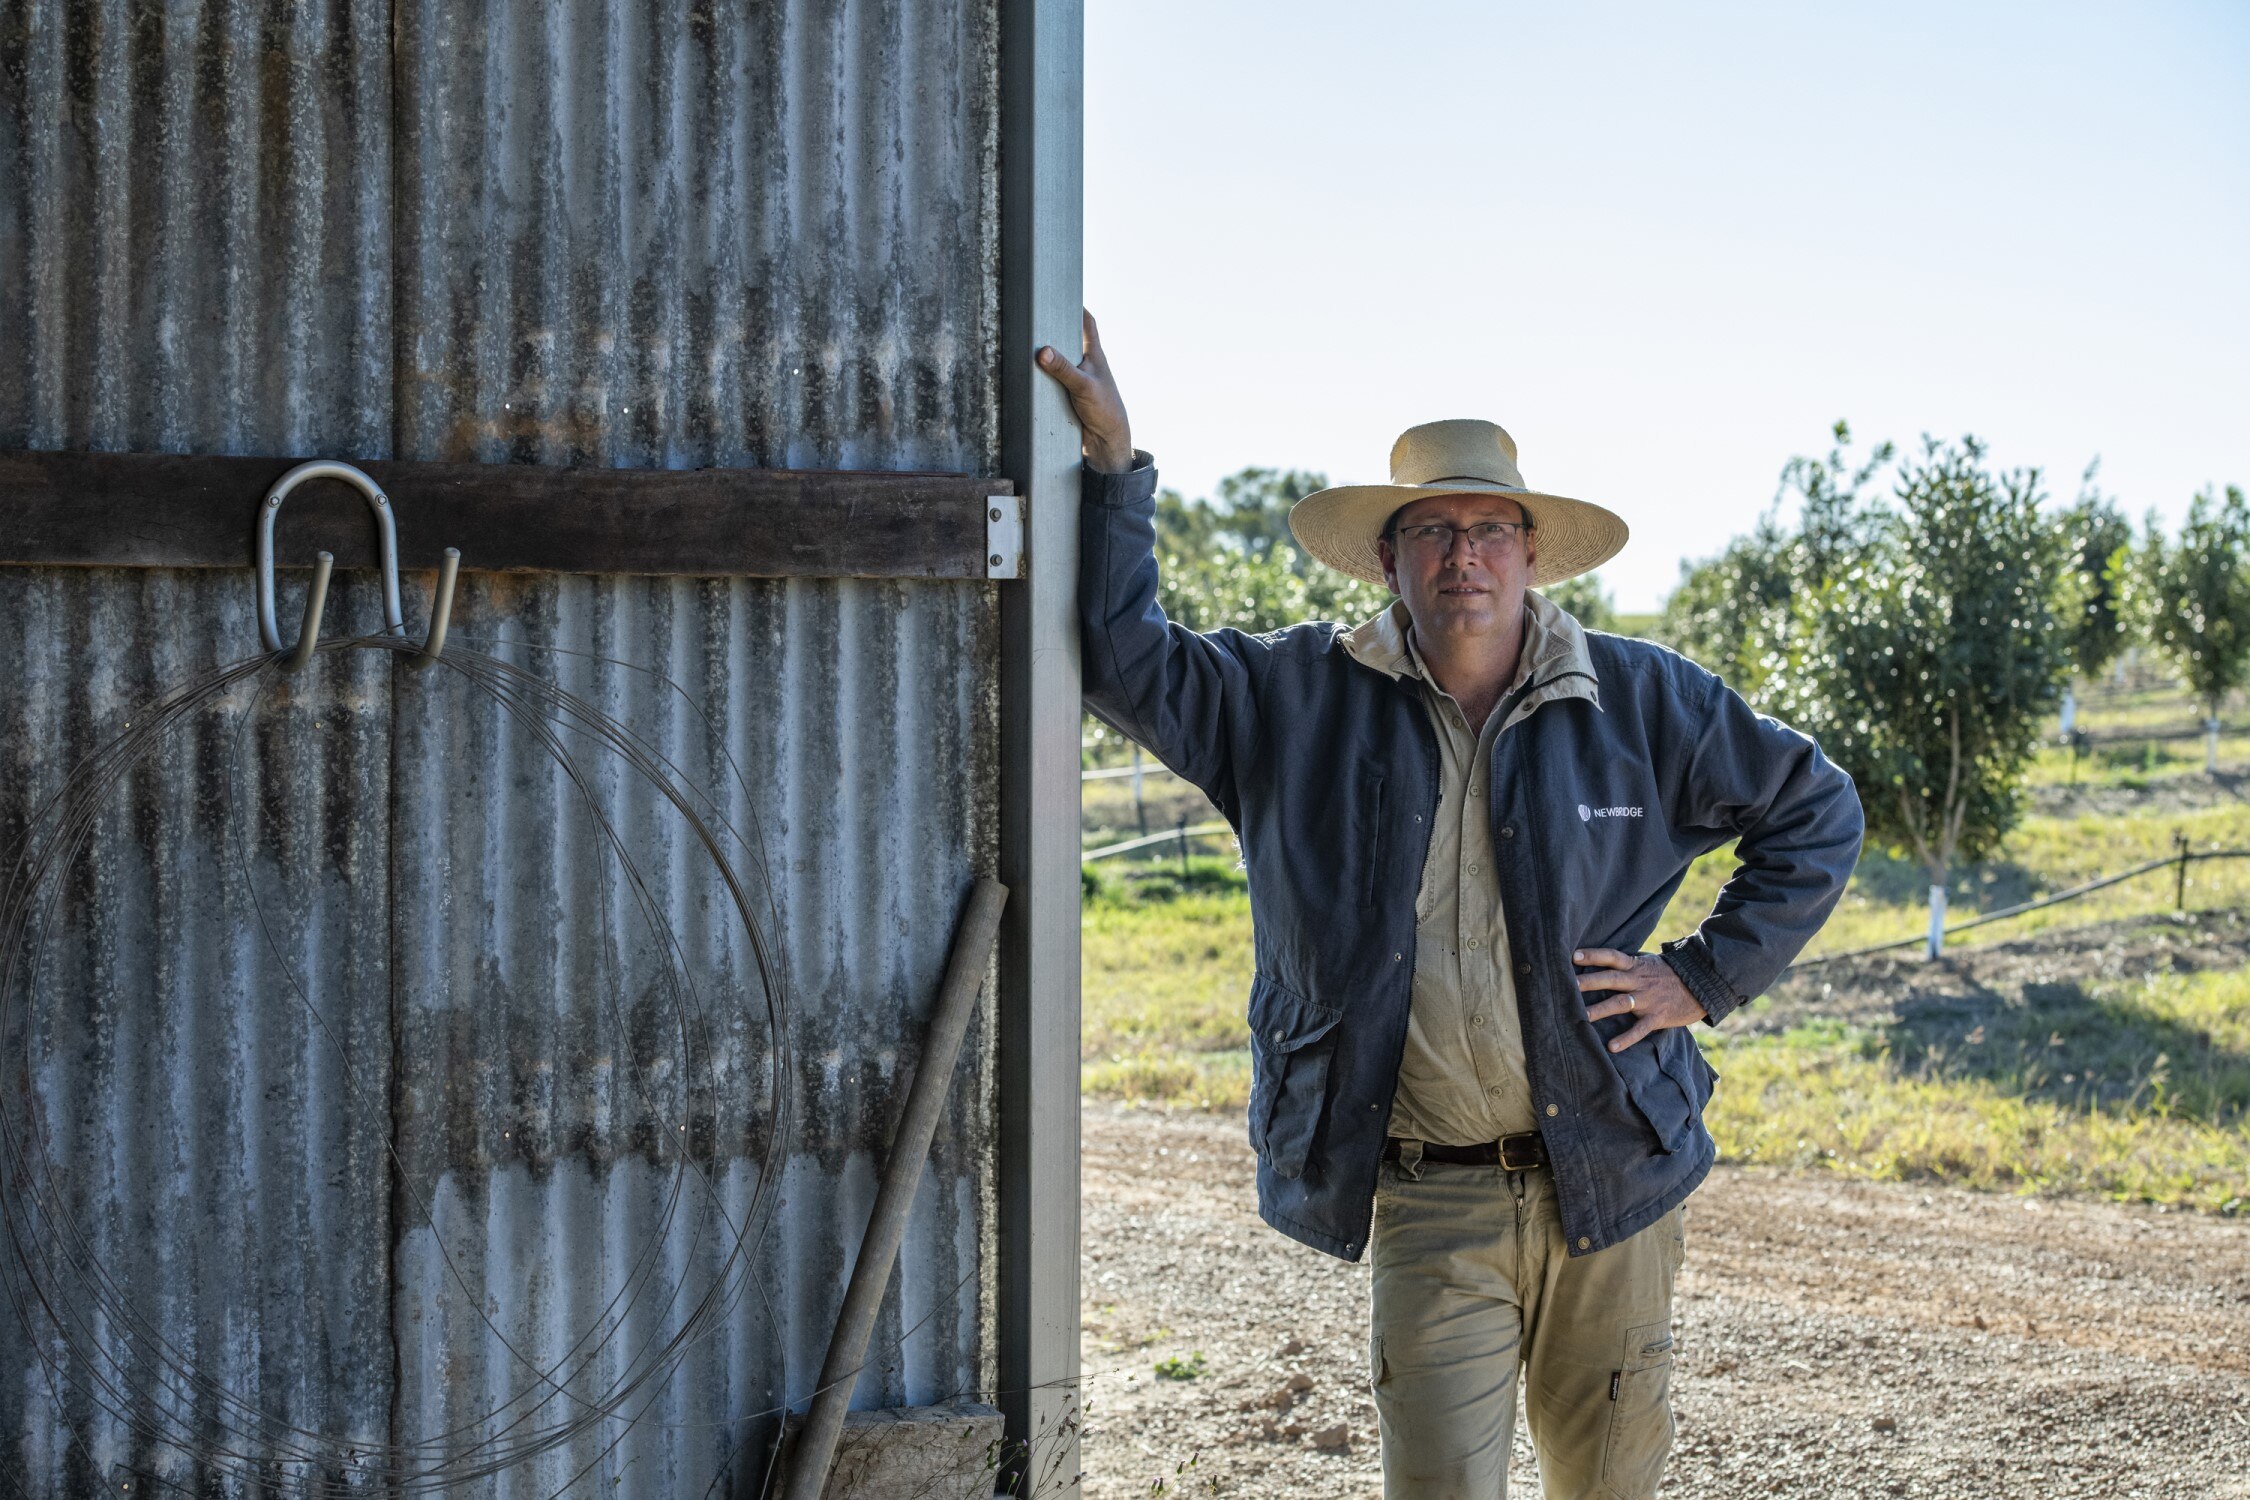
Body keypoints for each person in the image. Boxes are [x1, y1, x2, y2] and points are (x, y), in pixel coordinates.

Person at [1040, 313, 1863, 1499]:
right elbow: (1127, 661)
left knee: (1611, 1487)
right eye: (1432, 530)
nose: (1462, 555)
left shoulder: (1641, 703)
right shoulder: (1294, 702)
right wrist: (1116, 470)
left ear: (1531, 553)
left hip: (1616, 1181)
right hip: (1433, 1198)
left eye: (1488, 529)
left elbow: (1817, 811)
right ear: (1389, 559)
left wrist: (1703, 974)